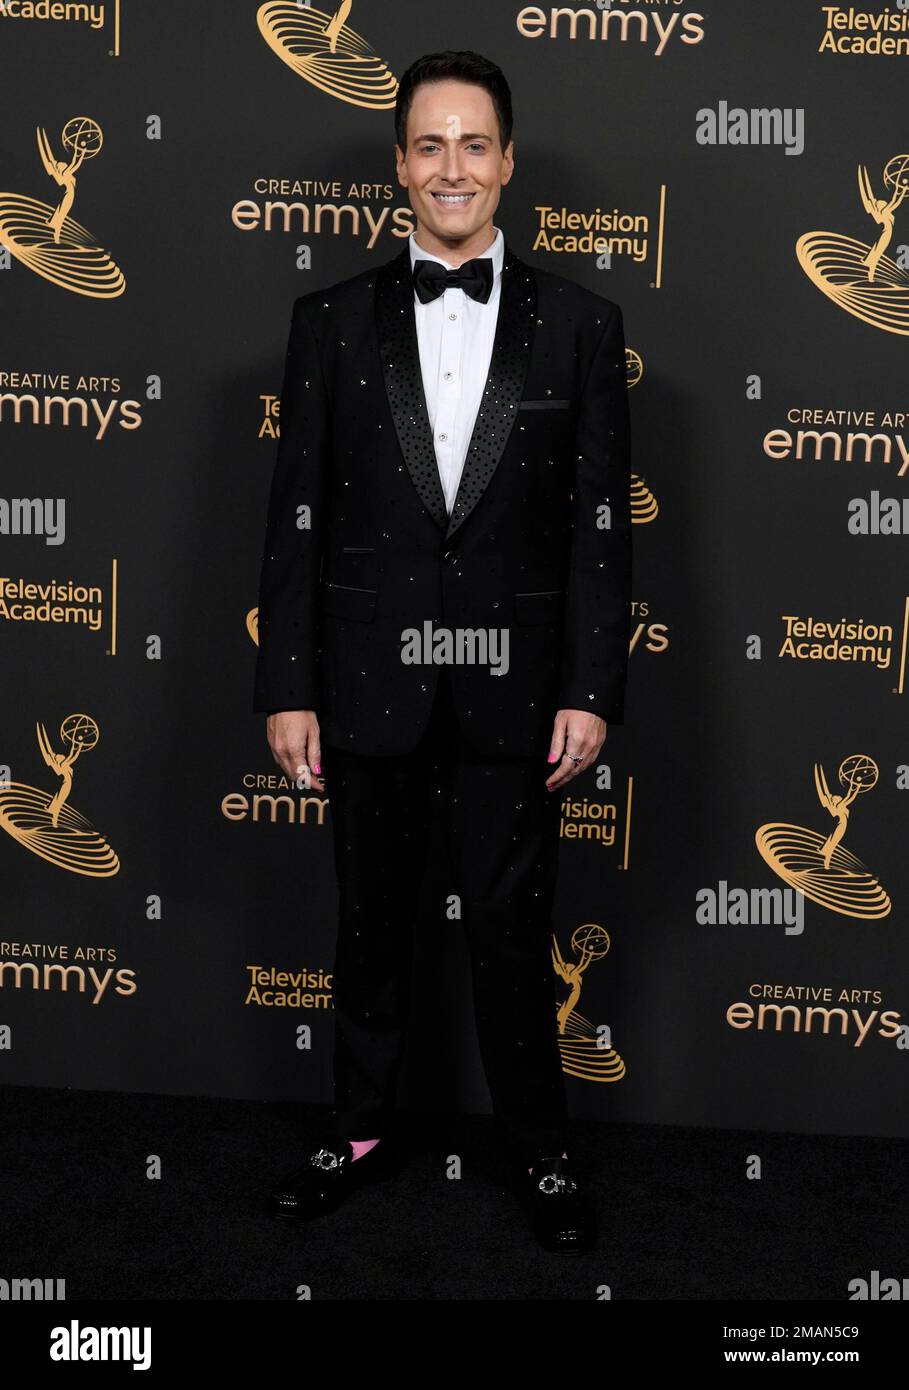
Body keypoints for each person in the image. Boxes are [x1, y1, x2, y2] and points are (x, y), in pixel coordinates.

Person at [253, 49, 632, 1256]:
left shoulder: (583, 326)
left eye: (474, 144)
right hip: (367, 679)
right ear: (400, 166)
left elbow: (600, 532)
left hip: (519, 689)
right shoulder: (329, 323)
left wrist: (590, 687)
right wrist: (289, 686)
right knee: (368, 925)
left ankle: (541, 1148)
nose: (451, 167)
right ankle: (355, 1131)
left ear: (508, 162)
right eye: (430, 145)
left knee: (516, 935)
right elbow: (295, 520)